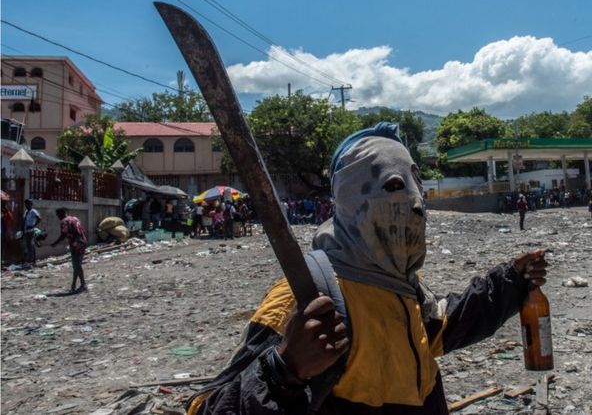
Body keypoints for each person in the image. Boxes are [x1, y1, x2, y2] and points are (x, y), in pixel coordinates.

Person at [184, 122, 549, 415]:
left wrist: (510, 282)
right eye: (393, 186)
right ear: (352, 198)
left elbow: (440, 330)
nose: (415, 203)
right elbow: (208, 406)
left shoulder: (404, 286)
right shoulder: (306, 293)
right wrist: (284, 370)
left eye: (416, 186)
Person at [50, 208, 88, 294]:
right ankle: (74, 285)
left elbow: (63, 235)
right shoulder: (75, 218)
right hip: (83, 241)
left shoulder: (64, 222)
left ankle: (83, 285)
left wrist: (55, 243)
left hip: (75, 244)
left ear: (60, 214)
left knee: (77, 265)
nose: (58, 217)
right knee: (77, 265)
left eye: (58, 215)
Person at [21, 199, 41, 269]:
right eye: (26, 204)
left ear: (31, 204)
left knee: (30, 246)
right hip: (26, 231)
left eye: (28, 204)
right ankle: (31, 261)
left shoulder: (33, 211)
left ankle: (32, 261)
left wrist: (33, 225)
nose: (26, 205)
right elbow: (24, 221)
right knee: (29, 246)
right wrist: (22, 230)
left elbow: (39, 219)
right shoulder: (26, 211)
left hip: (31, 231)